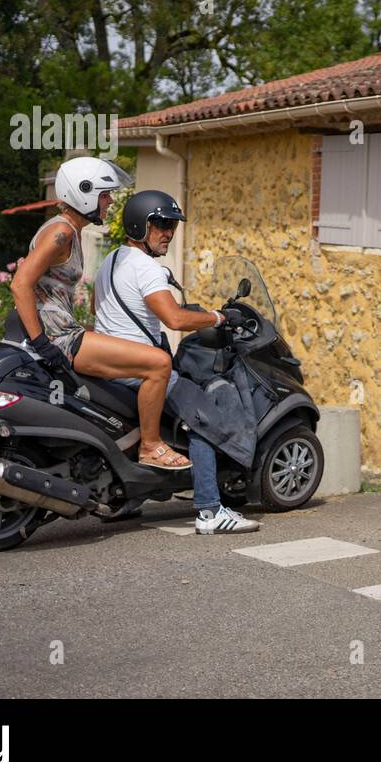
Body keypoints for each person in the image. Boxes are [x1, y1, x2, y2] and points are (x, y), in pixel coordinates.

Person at [94, 190, 259, 535]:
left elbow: (101, 311)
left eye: (171, 225)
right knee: (205, 419)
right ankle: (210, 510)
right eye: (161, 224)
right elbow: (175, 319)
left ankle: (132, 496)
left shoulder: (111, 261)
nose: (168, 232)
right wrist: (217, 317)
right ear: (141, 225)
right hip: (143, 372)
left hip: (112, 365)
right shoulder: (147, 268)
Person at [10, 157, 191, 470]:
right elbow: (20, 283)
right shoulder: (61, 233)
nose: (109, 201)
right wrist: (43, 343)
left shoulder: (67, 231)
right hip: (60, 337)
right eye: (104, 194)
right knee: (159, 363)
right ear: (85, 192)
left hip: (62, 332)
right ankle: (150, 446)